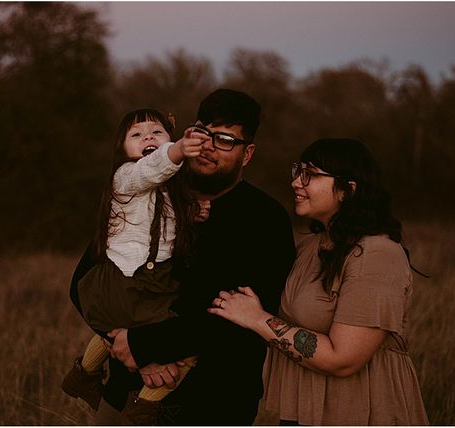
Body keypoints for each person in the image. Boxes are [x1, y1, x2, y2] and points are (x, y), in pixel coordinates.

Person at [69, 89, 296, 425]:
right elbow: (87, 282)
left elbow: (243, 322)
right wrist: (125, 345)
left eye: (225, 140)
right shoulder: (150, 193)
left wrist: (145, 346)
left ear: (247, 154)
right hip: (123, 394)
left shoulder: (265, 219)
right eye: (204, 133)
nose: (209, 147)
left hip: (213, 404)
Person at [210, 138, 428, 425]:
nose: (296, 183)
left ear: (347, 190)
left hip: (360, 410)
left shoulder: (378, 254)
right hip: (304, 410)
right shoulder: (309, 248)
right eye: (298, 171)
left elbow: (343, 359)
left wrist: (258, 320)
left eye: (310, 175)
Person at [62, 108, 205, 423]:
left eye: (156, 132)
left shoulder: (171, 191)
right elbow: (151, 170)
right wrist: (178, 149)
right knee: (185, 352)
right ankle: (143, 406)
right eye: (136, 135)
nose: (148, 138)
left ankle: (84, 372)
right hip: (131, 281)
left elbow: (168, 214)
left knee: (115, 330)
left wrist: (194, 212)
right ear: (123, 149)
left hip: (141, 281)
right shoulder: (126, 177)